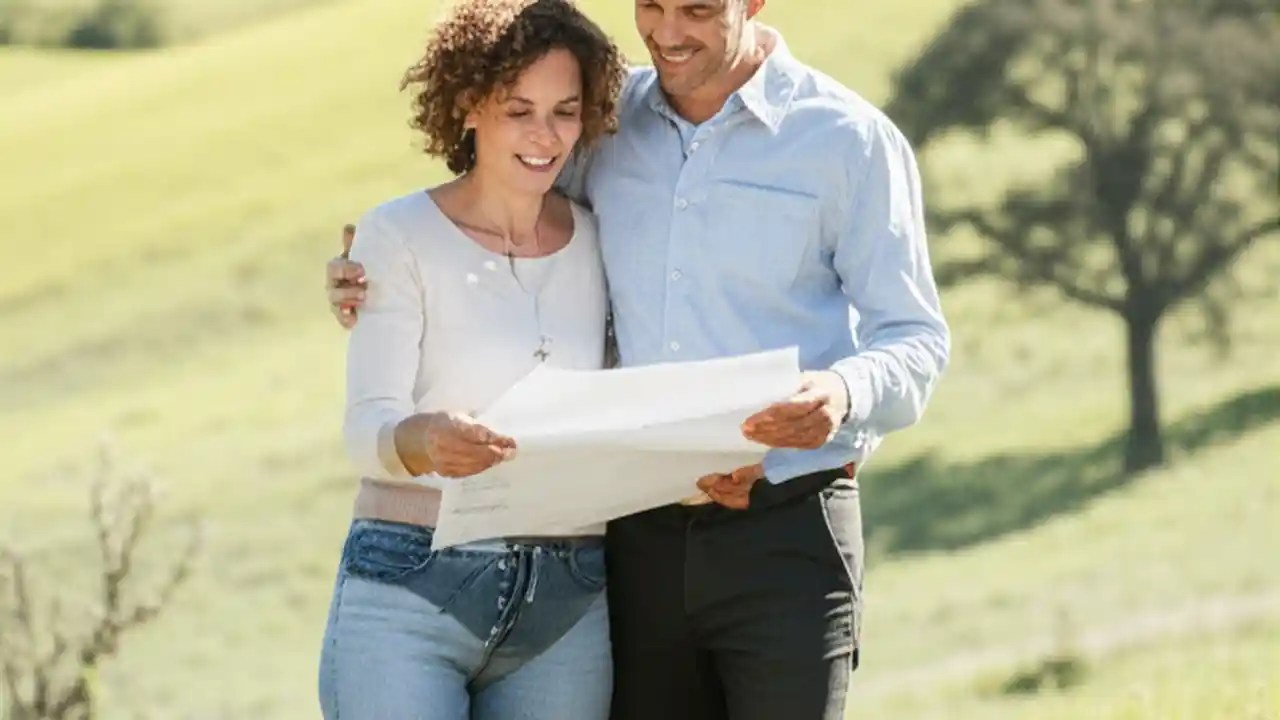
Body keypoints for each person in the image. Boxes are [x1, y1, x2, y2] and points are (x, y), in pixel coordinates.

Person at [327, 0, 951, 717]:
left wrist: (842, 392)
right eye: (651, 4)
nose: (668, 32)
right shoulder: (602, 119)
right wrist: (366, 270)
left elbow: (916, 337)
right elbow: (492, 210)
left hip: (787, 529)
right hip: (635, 542)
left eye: (697, 9)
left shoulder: (849, 141)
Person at [316, 1, 627, 718]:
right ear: (467, 106)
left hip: (568, 601)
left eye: (565, 112)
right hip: (410, 585)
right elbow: (364, 431)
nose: (545, 136)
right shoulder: (398, 234)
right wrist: (425, 439)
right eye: (518, 111)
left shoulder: (601, 240)